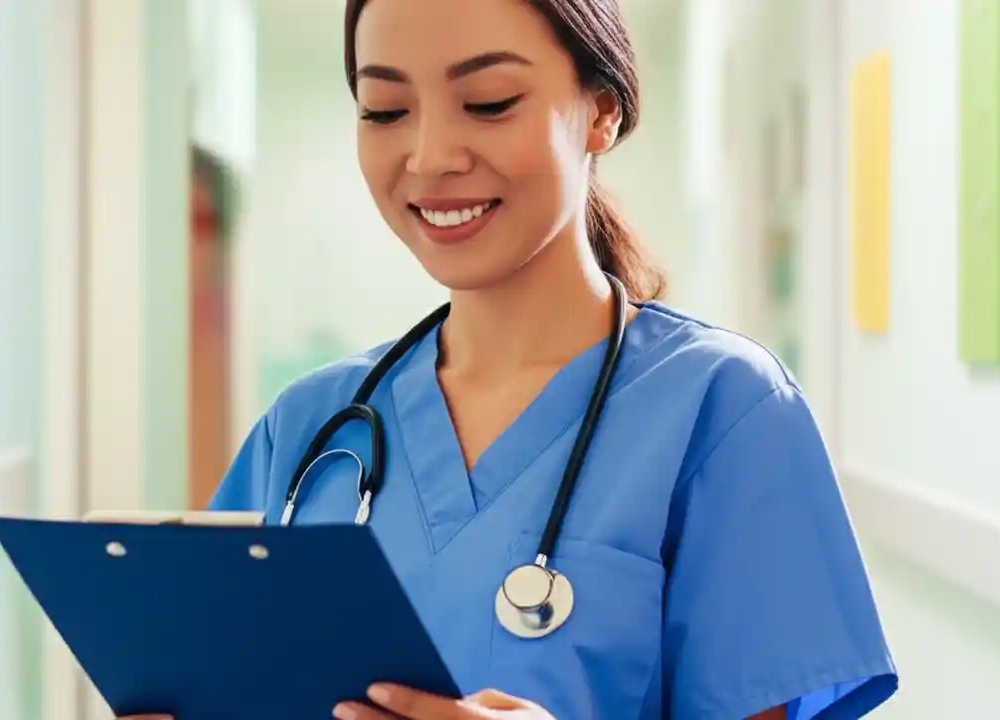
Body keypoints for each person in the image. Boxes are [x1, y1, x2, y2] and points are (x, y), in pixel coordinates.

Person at [125, 0, 898, 717]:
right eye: (385, 109)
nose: (429, 157)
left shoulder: (723, 410)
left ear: (602, 110)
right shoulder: (308, 426)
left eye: (489, 102)